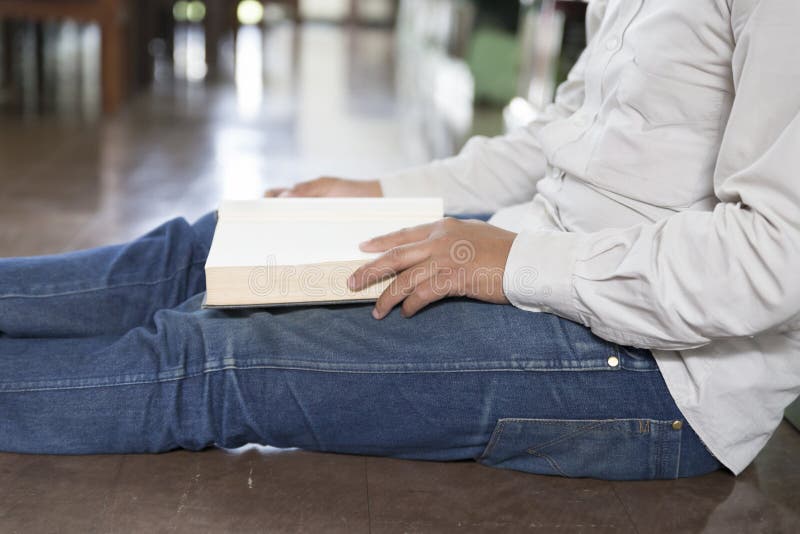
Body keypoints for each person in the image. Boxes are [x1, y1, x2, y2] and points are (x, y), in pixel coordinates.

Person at [1, 0, 798, 481]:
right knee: (218, 245)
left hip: (660, 373)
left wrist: (511, 262)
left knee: (221, 355)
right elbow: (561, 135)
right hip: (548, 249)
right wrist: (379, 195)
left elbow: (776, 256)